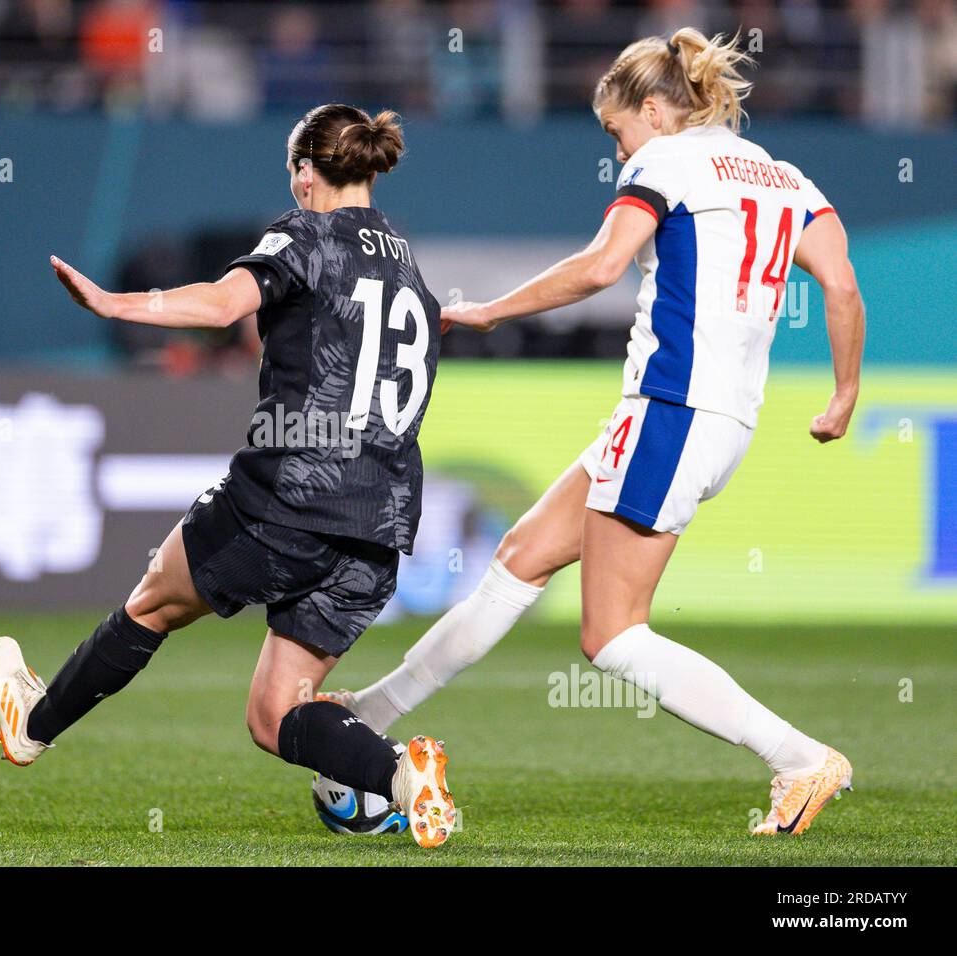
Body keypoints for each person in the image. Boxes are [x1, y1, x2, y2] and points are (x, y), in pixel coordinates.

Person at [325, 29, 865, 837]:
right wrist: (844, 394)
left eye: (616, 132)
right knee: (520, 555)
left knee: (611, 634)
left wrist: (490, 308)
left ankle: (796, 757)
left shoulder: (666, 162)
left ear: (652, 110)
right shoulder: (787, 177)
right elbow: (844, 286)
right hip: (710, 420)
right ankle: (370, 711)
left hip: (671, 414)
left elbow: (602, 265)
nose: (617, 151)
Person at [0, 105, 456, 847]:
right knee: (277, 714)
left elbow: (221, 302)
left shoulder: (305, 234)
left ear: (306, 172)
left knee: (150, 606)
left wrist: (118, 305)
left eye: (294, 169)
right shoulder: (407, 261)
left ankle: (32, 725)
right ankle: (402, 775)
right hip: (382, 521)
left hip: (291, 495)